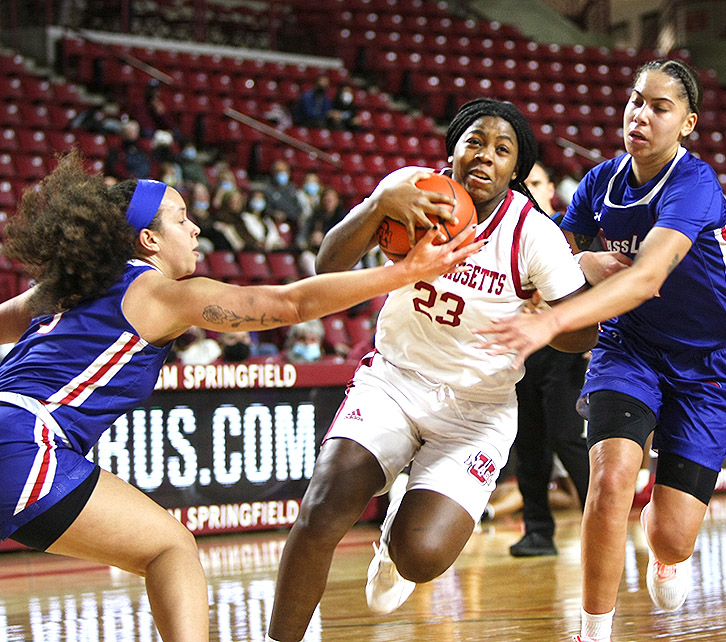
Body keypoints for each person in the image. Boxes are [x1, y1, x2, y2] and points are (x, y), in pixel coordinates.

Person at [0, 150, 482, 642]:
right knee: (171, 549)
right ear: (148, 239)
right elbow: (287, 303)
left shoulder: (58, 291)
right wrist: (401, 273)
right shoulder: (156, 292)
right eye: (181, 219)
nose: (195, 231)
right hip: (24, 446)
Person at [266, 98, 599, 642]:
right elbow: (327, 268)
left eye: (502, 149)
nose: (485, 156)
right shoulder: (413, 191)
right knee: (322, 509)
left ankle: (395, 548)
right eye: (474, 141)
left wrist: (550, 318)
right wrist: (378, 203)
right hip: (394, 380)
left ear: (516, 168)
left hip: (477, 409)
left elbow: (582, 332)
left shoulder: (532, 232)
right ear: (453, 149)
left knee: (422, 556)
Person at [476, 60, 726, 642]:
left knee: (672, 533)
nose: (640, 114)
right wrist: (578, 263)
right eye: (634, 100)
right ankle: (592, 631)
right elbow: (551, 253)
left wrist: (551, 320)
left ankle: (669, 550)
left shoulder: (693, 184)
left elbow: (647, 276)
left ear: (688, 124)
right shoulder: (601, 182)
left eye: (658, 106)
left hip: (708, 365)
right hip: (630, 347)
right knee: (609, 479)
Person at [509, 161, 592, 557]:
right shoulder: (506, 233)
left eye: (536, 183)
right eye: (522, 183)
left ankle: (602, 516)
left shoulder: (568, 229)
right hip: (522, 349)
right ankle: (538, 530)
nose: (528, 189)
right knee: (529, 442)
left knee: (566, 434)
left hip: (566, 346)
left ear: (551, 189)